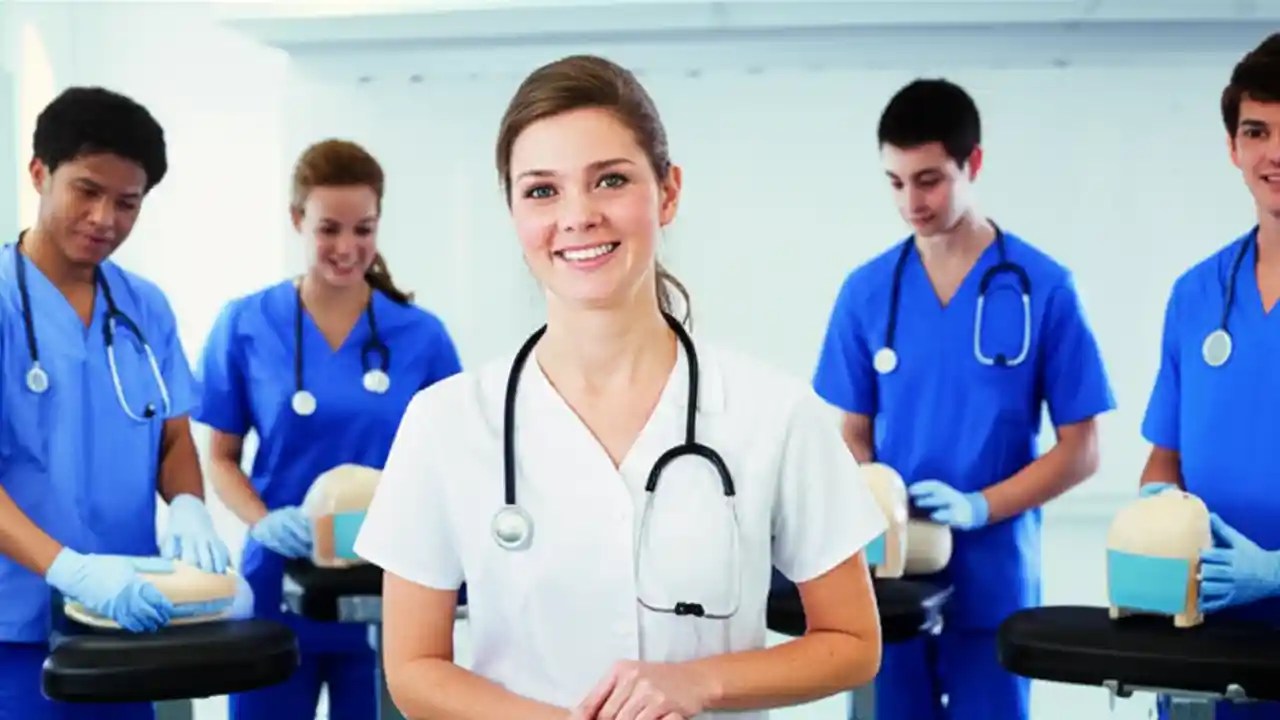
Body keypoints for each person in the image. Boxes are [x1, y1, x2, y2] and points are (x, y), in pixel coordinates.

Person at [353, 53, 885, 720]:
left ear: (668, 192)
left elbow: (852, 643)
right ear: (513, 211)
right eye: (542, 191)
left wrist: (699, 683)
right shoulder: (446, 422)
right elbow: (412, 669)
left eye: (609, 180)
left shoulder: (772, 414)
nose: (578, 216)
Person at [811, 78, 1116, 720]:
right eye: (896, 183)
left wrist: (980, 507)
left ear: (972, 163)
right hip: (891, 577)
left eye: (929, 180)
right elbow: (852, 433)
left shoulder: (1044, 288)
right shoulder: (867, 292)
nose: (911, 203)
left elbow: (1083, 449)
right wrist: (875, 503)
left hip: (993, 575)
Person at [193, 138, 463, 720]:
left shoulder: (422, 336)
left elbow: (454, 465)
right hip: (279, 583)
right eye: (328, 229)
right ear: (297, 220)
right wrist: (265, 522)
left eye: (363, 229)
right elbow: (220, 456)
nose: (347, 247)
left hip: (387, 588)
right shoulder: (245, 324)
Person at [0, 86, 230, 719]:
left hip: (125, 618)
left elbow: (173, 436)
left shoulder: (144, 307)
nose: (104, 219)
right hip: (12, 630)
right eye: (87, 191)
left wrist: (188, 506)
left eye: (127, 203)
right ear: (39, 173)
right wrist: (68, 569)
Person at [1138, 32, 1280, 720]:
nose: (1274, 153)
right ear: (1233, 148)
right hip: (1205, 633)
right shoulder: (1196, 295)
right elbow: (1164, 458)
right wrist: (1155, 519)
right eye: (1257, 131)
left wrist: (1275, 572)